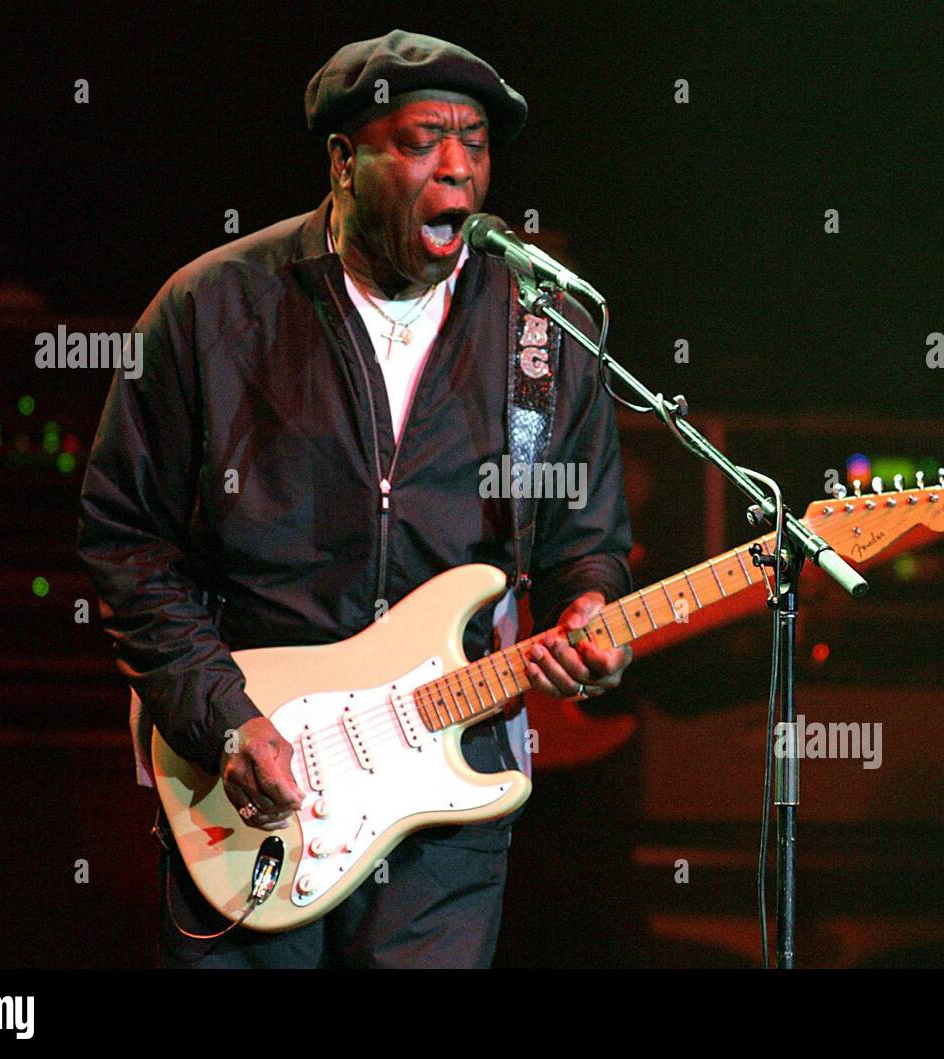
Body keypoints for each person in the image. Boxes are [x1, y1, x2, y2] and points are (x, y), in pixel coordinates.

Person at [77, 30, 633, 968]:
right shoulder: (213, 309)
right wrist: (223, 716)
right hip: (255, 787)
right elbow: (126, 541)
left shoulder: (542, 327)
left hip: (451, 798)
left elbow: (586, 535)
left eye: (477, 142)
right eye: (422, 142)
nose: (457, 171)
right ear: (343, 160)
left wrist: (589, 605)